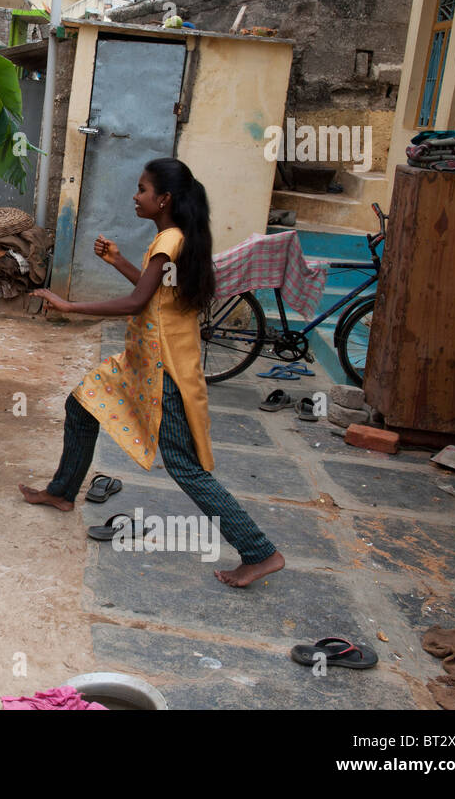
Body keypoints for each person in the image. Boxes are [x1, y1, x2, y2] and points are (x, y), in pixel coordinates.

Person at [24, 157, 286, 589]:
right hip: (145, 362)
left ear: (163, 199)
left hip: (163, 369)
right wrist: (119, 261)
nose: (136, 195)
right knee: (81, 406)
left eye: (143, 189)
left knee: (185, 467)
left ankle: (259, 551)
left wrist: (70, 307)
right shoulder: (175, 238)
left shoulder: (169, 239)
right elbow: (153, 292)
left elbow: (134, 302)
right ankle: (62, 491)